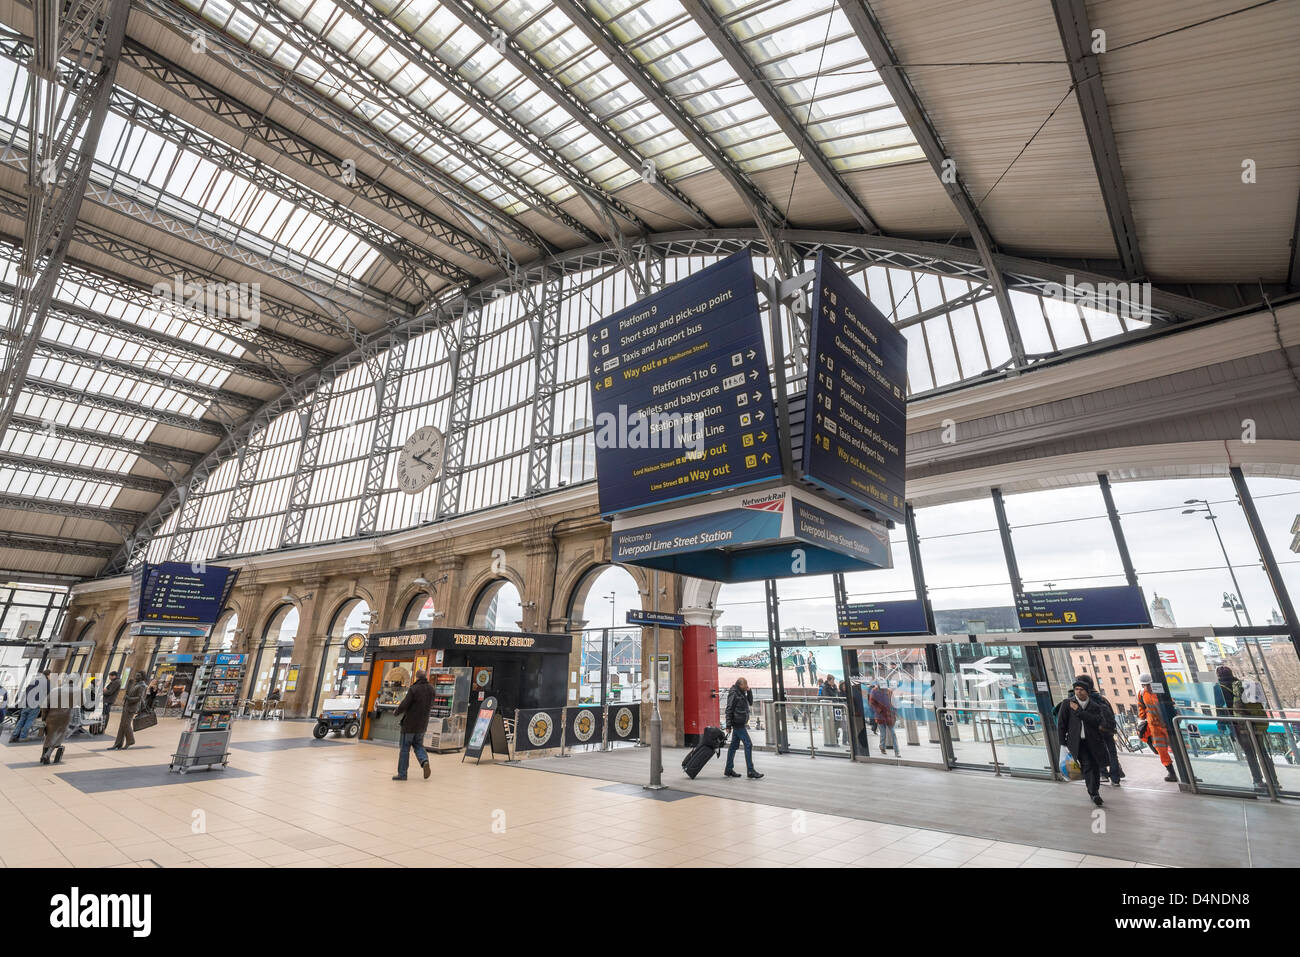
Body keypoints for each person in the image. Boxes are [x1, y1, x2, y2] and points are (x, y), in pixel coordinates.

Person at [1056, 677, 1113, 807]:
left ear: (1087, 691)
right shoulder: (1067, 704)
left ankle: (1095, 790)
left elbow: (1096, 721)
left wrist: (1079, 712)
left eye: (1081, 689)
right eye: (1076, 689)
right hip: (1077, 743)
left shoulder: (1094, 706)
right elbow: (1061, 724)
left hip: (1093, 741)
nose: (1078, 692)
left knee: (1095, 766)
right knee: (1088, 765)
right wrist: (1062, 742)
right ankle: (1094, 793)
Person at [1214, 665, 1267, 791]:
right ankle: (1273, 781)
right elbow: (1259, 703)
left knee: (1250, 753)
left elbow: (1219, 707)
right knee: (1263, 752)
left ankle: (1258, 781)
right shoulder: (1243, 683)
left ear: (1218, 675)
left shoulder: (1218, 687)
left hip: (1237, 724)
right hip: (1254, 722)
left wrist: (1221, 724)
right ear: (1231, 673)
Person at [1075, 674, 1124, 787]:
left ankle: (1103, 774)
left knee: (1096, 752)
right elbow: (1111, 713)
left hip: (1095, 731)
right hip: (1107, 729)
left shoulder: (1086, 701)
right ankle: (1115, 779)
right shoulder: (1101, 698)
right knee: (1112, 754)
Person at [392, 669, 433, 781]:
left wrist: (396, 712)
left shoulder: (414, 689)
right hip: (422, 724)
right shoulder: (431, 689)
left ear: (416, 677)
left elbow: (405, 704)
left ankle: (402, 774)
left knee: (405, 749)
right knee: (418, 745)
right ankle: (424, 761)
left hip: (410, 724)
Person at [1136, 674, 1178, 782]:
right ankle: (1171, 772)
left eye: (1149, 684)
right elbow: (1141, 707)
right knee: (1161, 750)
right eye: (1146, 685)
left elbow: (1171, 702)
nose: (1148, 686)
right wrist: (1143, 717)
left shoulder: (1160, 690)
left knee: (1177, 748)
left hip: (1168, 724)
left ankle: (1186, 772)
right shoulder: (1141, 693)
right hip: (1154, 727)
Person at [723, 677, 762, 779]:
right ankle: (750, 770)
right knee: (748, 744)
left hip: (740, 722)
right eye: (745, 685)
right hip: (737, 723)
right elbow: (729, 709)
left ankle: (728, 769)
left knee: (733, 746)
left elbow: (750, 702)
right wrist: (728, 725)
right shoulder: (734, 693)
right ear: (740, 685)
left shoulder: (741, 692)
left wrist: (749, 691)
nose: (746, 686)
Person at [40, 673, 73, 765]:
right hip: (64, 718)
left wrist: (44, 718)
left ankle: (43, 756)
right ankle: (48, 754)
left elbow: (45, 705)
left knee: (48, 737)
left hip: (51, 717)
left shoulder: (55, 690)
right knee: (58, 737)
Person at [9, 671, 49, 744]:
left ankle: (13, 736)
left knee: (21, 720)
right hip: (35, 705)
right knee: (29, 721)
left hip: (26, 703)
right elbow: (48, 694)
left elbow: (25, 692)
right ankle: (22, 737)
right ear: (48, 675)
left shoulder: (33, 680)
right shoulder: (46, 682)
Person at [112, 672, 147, 750]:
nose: (136, 676)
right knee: (122, 725)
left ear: (142, 677)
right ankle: (118, 743)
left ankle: (130, 740)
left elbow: (139, 698)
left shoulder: (142, 686)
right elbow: (129, 693)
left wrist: (129, 699)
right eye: (136, 675)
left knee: (126, 724)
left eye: (138, 675)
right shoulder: (135, 684)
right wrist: (129, 685)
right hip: (127, 706)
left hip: (132, 708)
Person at [868, 681, 899, 755]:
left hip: (889, 715)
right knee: (883, 734)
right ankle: (882, 747)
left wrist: (895, 711)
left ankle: (897, 751)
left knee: (893, 733)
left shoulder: (889, 691)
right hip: (880, 715)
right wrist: (879, 710)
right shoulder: (874, 691)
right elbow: (872, 703)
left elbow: (894, 702)